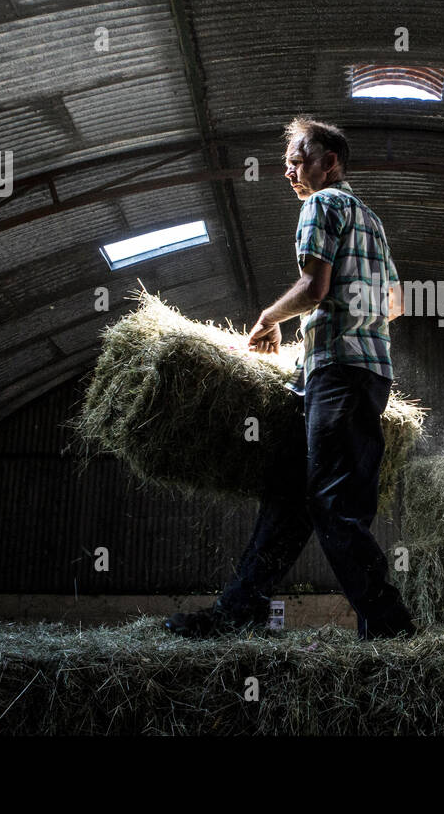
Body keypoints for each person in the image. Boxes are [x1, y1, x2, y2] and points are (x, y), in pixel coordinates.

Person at [165, 116, 417, 640]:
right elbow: (394, 302)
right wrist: (350, 325)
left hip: (338, 376)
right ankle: (239, 610)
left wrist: (266, 319)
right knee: (290, 497)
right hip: (365, 373)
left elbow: (313, 286)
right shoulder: (370, 220)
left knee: (333, 506)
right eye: (286, 164)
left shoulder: (320, 205)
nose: (289, 172)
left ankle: (391, 627)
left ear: (330, 162)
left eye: (298, 160)